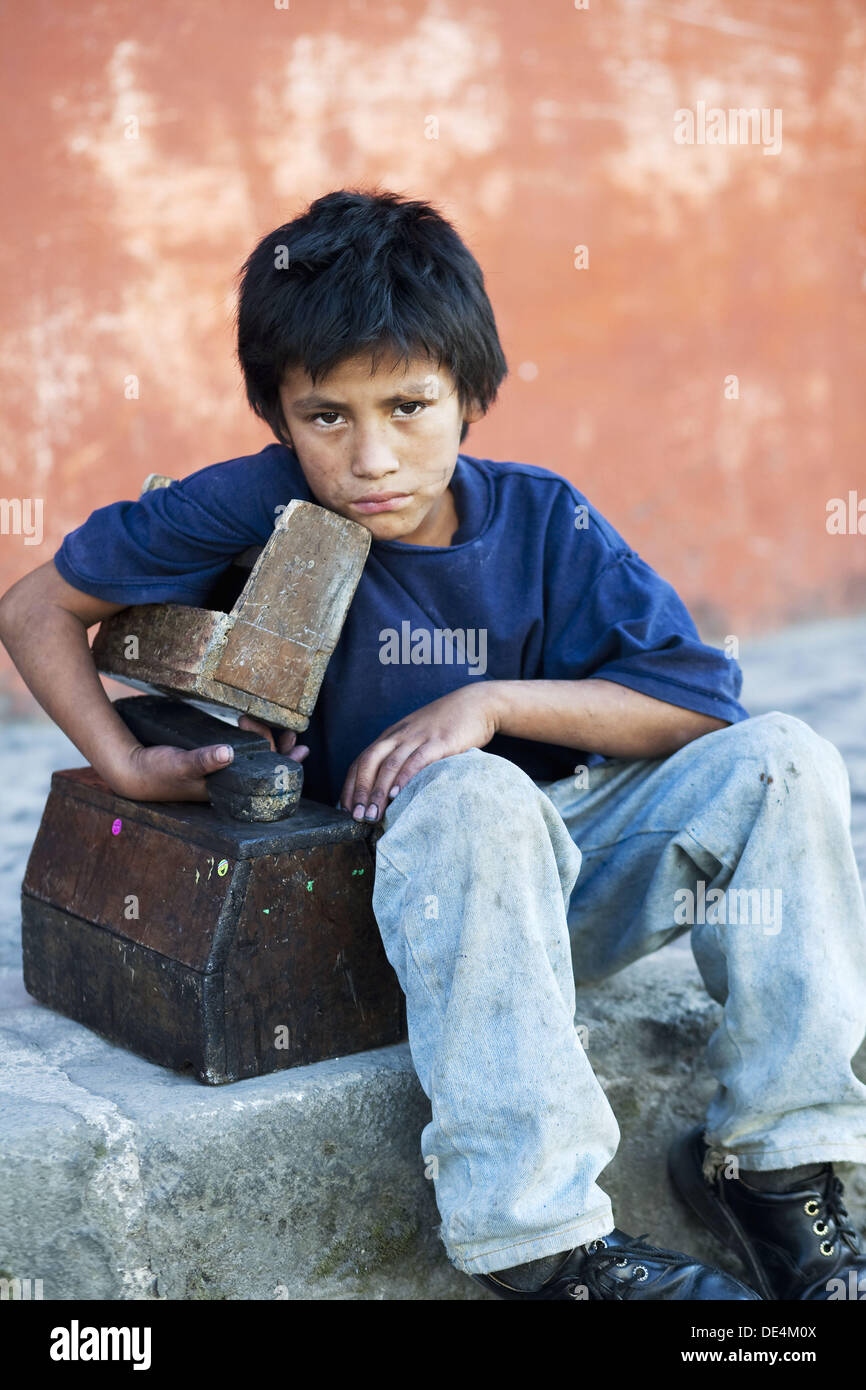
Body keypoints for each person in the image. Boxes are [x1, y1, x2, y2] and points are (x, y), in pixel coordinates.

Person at [2, 188, 865, 1302]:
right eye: (328, 417)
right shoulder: (242, 505)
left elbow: (698, 702)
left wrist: (493, 703)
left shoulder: (545, 518)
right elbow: (34, 606)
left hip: (539, 899)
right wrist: (119, 760)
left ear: (470, 397)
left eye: (409, 407)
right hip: (358, 915)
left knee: (784, 755)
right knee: (467, 796)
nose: (372, 458)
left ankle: (774, 1173)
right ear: (276, 412)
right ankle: (542, 1242)